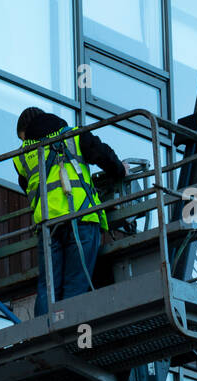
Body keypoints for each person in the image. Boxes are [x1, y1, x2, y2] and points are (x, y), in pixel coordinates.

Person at [14, 107, 127, 316]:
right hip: (81, 218)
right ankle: (70, 333)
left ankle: (44, 335)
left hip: (48, 226)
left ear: (27, 130)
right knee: (75, 285)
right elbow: (103, 154)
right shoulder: (74, 135)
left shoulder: (22, 156)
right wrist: (120, 170)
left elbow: (27, 186)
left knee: (48, 288)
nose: (24, 141)